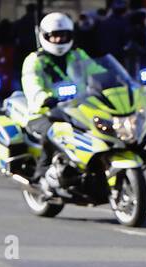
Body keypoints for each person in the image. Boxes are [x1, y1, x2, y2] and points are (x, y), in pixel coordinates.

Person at [21, 11, 101, 183]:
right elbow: (31, 83)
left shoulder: (78, 55)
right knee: (54, 132)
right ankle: (42, 174)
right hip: (43, 112)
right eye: (54, 36)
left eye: (63, 35)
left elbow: (98, 71)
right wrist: (43, 98)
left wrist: (111, 83)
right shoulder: (35, 60)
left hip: (77, 108)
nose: (59, 40)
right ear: (44, 36)